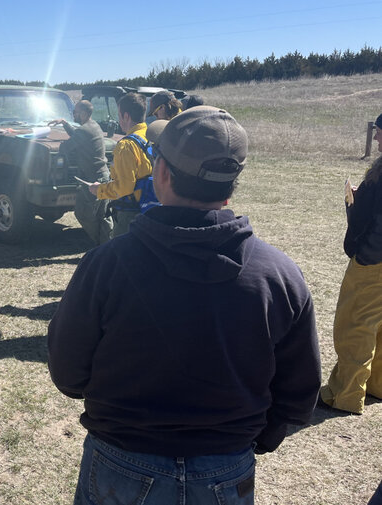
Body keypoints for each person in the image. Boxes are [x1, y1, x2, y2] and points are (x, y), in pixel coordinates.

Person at [48, 105, 321, 505]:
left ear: (161, 172)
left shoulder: (105, 265)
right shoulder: (279, 274)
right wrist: (253, 436)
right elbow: (298, 395)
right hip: (227, 468)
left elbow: (68, 373)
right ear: (232, 182)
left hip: (120, 462)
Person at [318, 113, 382, 414]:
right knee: (378, 326)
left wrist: (366, 255)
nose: (378, 138)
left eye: (381, 133)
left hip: (373, 262)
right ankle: (376, 384)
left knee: (355, 326)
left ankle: (346, 394)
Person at [88, 92, 151, 238]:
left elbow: (124, 188)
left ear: (126, 116)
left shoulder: (126, 145)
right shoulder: (154, 135)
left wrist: (99, 190)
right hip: (153, 209)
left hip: (131, 214)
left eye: (119, 114)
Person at [49, 100, 111, 245]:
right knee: (103, 215)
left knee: (83, 213)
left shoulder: (84, 131)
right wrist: (64, 123)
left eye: (75, 112)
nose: (73, 114)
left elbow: (66, 148)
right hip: (102, 175)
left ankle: (100, 242)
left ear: (83, 113)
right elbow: (78, 135)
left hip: (93, 178)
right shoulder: (94, 125)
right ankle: (107, 244)